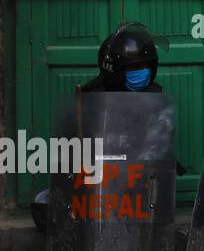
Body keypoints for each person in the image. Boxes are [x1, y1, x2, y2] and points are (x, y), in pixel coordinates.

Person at [31, 22, 166, 234]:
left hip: (138, 196)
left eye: (146, 67)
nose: (142, 74)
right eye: (134, 69)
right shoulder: (87, 104)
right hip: (96, 193)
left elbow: (160, 152)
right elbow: (69, 163)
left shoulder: (155, 101)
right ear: (113, 70)